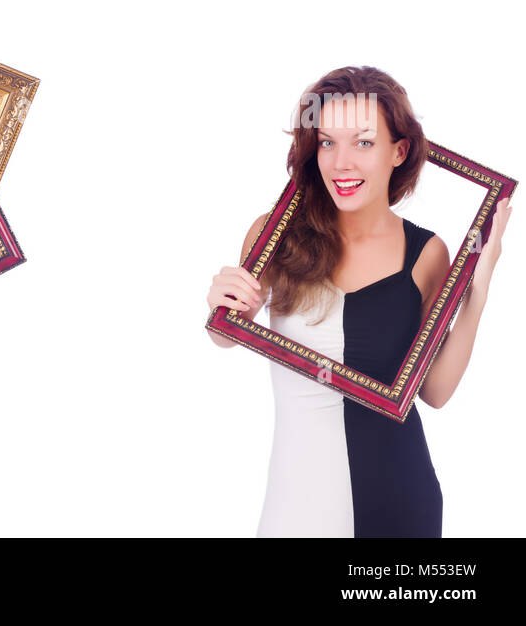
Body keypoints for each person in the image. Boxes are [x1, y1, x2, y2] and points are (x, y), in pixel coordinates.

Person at [206, 66, 513, 537]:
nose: (341, 162)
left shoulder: (427, 254)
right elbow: (231, 333)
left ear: (400, 150)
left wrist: (479, 286)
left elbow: (434, 392)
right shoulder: (277, 232)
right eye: (328, 142)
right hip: (297, 504)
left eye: (363, 143)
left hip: (401, 501)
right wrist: (222, 311)